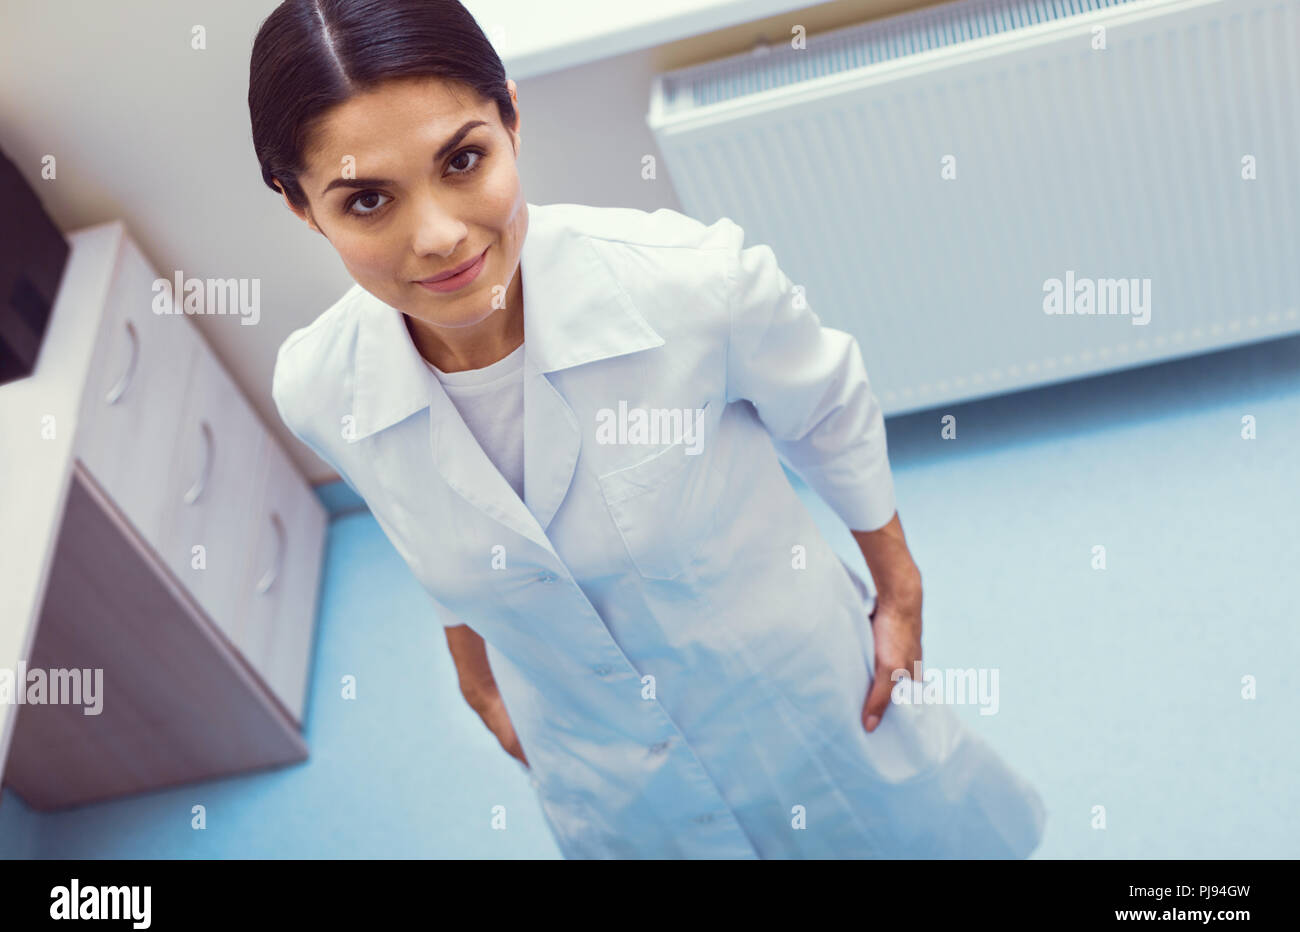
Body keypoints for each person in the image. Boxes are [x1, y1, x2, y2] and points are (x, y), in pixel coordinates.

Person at [249, 0, 1046, 858]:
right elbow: (418, 519)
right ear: (301, 207)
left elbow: (827, 406)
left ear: (512, 120)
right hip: (605, 770)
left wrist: (899, 587)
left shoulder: (690, 284)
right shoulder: (319, 387)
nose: (439, 235)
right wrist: (472, 668)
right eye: (367, 200)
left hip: (801, 694)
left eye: (464, 160)